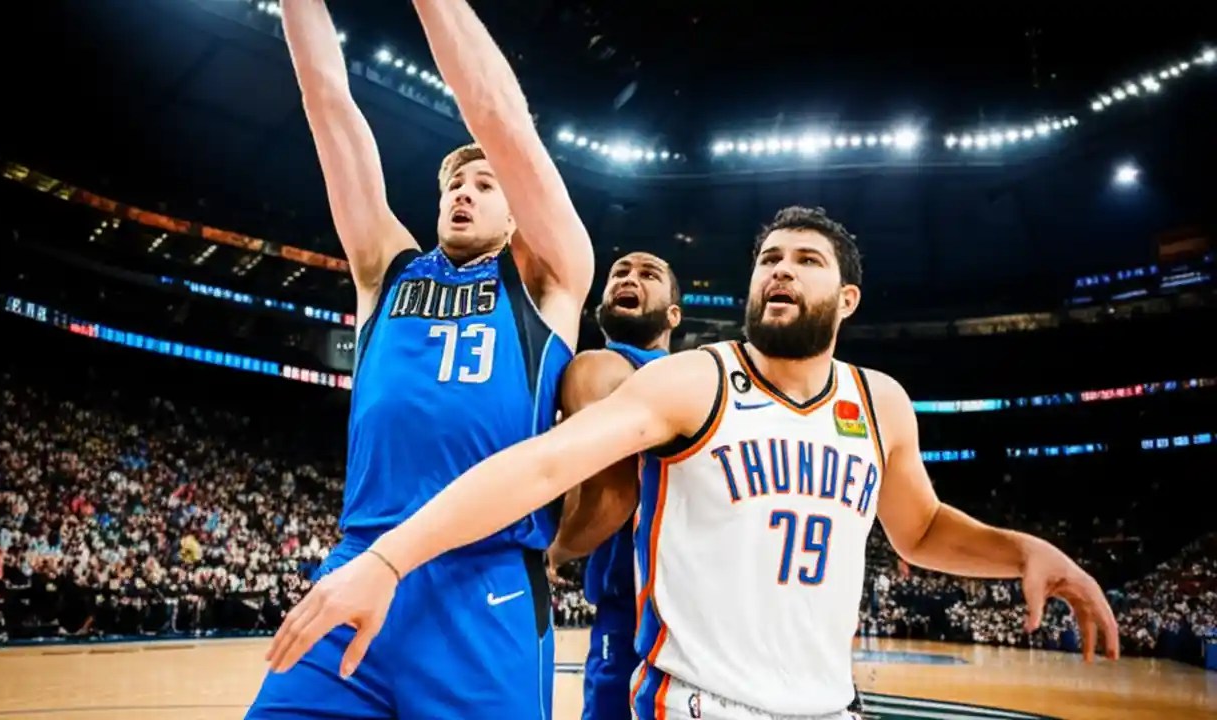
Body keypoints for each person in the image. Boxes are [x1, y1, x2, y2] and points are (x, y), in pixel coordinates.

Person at [264, 206, 1121, 719]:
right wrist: (386, 558)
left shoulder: (881, 402)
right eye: (768, 261)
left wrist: (1021, 552)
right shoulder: (696, 380)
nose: (781, 271)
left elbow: (923, 528)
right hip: (693, 704)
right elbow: (537, 468)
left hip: (826, 704)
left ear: (846, 299)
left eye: (805, 262)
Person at [247, 0, 593, 718]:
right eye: (454, 186)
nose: (464, 192)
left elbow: (497, 113)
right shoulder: (385, 270)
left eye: (484, 185)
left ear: (515, 209)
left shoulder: (548, 277)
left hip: (485, 580)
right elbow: (326, 99)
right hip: (357, 565)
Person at [547, 252, 681, 720]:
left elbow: (612, 495)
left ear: (673, 314)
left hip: (635, 609)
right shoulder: (701, 383)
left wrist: (554, 551)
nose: (630, 277)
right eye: (620, 272)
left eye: (650, 273)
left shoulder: (601, 367)